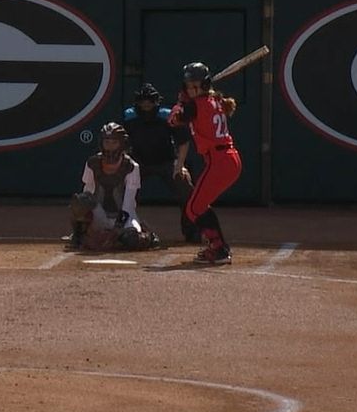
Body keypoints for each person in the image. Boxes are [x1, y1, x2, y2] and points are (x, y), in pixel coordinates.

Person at [168, 62, 242, 265]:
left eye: (195, 86)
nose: (191, 89)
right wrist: (187, 102)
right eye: (189, 86)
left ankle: (219, 249)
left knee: (193, 208)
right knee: (198, 206)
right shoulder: (213, 99)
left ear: (204, 84)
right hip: (226, 160)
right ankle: (218, 247)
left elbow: (173, 120)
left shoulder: (196, 105)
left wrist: (180, 104)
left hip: (220, 162)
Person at [123, 83, 199, 242]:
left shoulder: (167, 116)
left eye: (150, 101)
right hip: (138, 163)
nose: (146, 105)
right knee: (121, 191)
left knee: (186, 189)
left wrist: (180, 166)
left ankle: (193, 231)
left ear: (156, 102)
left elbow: (184, 141)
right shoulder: (129, 117)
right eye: (143, 101)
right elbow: (122, 142)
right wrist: (124, 165)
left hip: (166, 161)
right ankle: (121, 229)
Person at [67, 122, 159, 251]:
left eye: (114, 142)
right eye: (107, 142)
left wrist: (117, 229)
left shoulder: (131, 167)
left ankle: (148, 236)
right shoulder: (92, 163)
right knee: (80, 201)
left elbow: (128, 204)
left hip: (124, 216)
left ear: (122, 144)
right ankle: (77, 237)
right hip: (101, 215)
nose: (110, 147)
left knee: (131, 240)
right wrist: (86, 223)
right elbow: (88, 192)